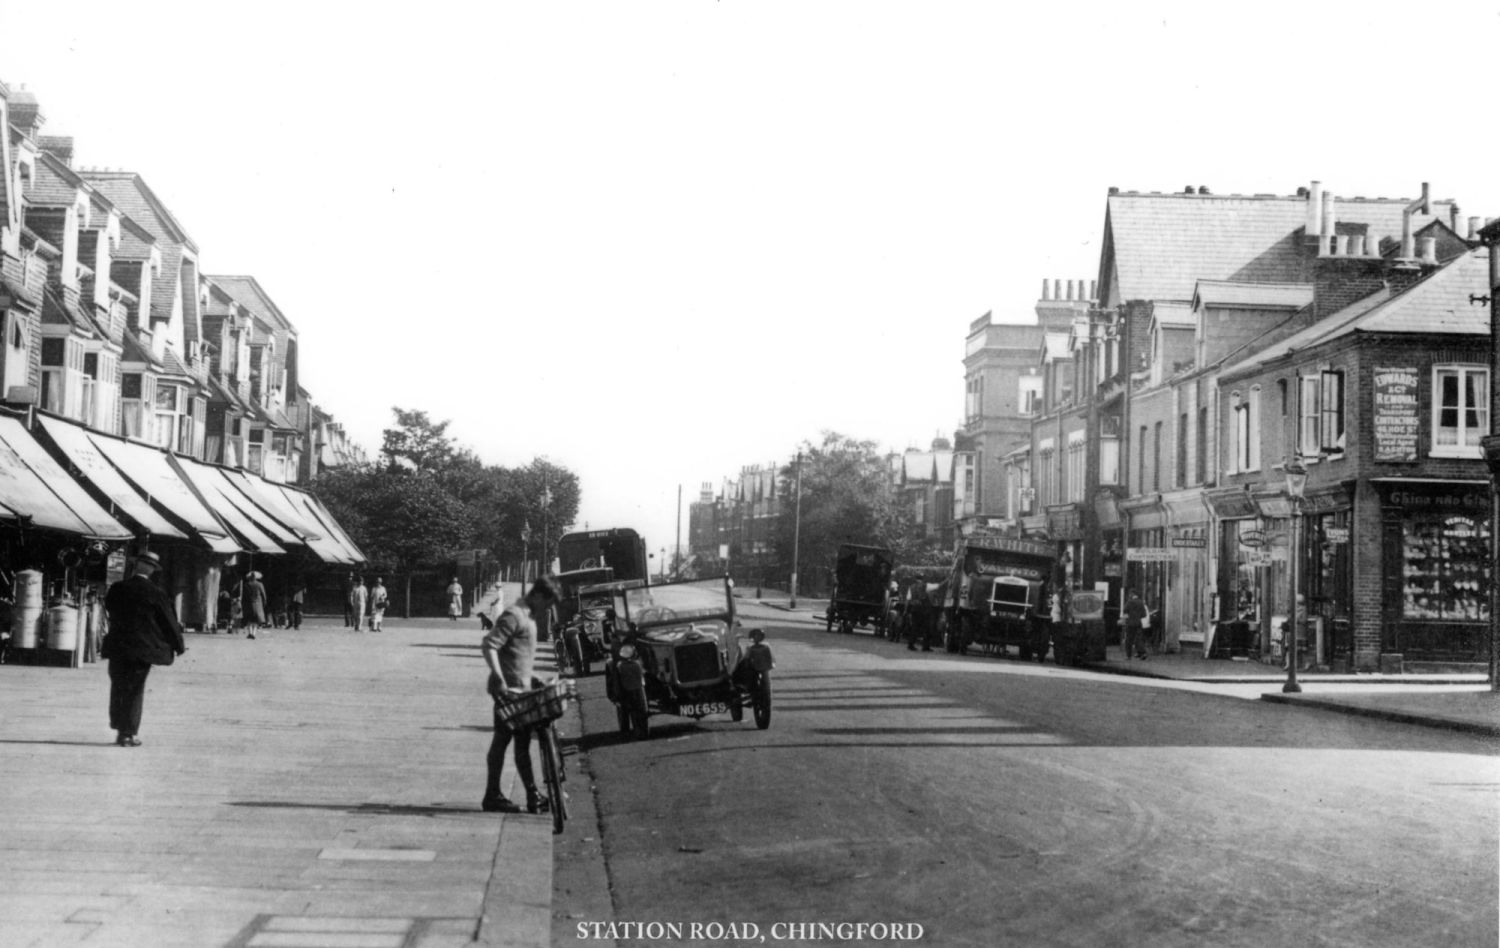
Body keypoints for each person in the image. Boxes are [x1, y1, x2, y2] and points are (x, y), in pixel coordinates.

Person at [481, 578, 560, 814]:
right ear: (538, 596)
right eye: (547, 604)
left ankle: (529, 794)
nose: (547, 609)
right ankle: (495, 795)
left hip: (521, 691)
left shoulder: (527, 617)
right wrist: (499, 678)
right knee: (504, 741)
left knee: (520, 742)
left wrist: (532, 676)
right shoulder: (514, 615)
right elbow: (490, 645)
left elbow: (517, 656)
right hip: (508, 692)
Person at [102, 551, 186, 747]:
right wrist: (178, 645)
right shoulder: (156, 593)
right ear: (152, 570)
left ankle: (119, 726)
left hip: (118, 646)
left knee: (119, 686)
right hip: (142, 649)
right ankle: (128, 733)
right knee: (134, 689)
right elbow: (168, 621)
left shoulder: (117, 588)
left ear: (135, 565)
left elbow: (109, 608)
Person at [1123, 589, 1148, 660]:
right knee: (1138, 639)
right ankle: (1142, 653)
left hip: (1130, 624)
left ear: (1132, 594)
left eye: (1129, 594)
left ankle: (1128, 655)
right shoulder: (1141, 602)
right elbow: (1144, 614)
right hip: (1138, 623)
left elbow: (1125, 611)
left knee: (1129, 640)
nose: (1129, 595)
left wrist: (1127, 619)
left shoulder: (1129, 602)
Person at [242, 570, 268, 640]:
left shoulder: (246, 584)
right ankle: (253, 633)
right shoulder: (260, 584)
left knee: (249, 619)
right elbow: (263, 594)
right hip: (258, 603)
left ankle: (250, 633)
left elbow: (244, 595)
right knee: (256, 620)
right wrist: (264, 602)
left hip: (249, 603)